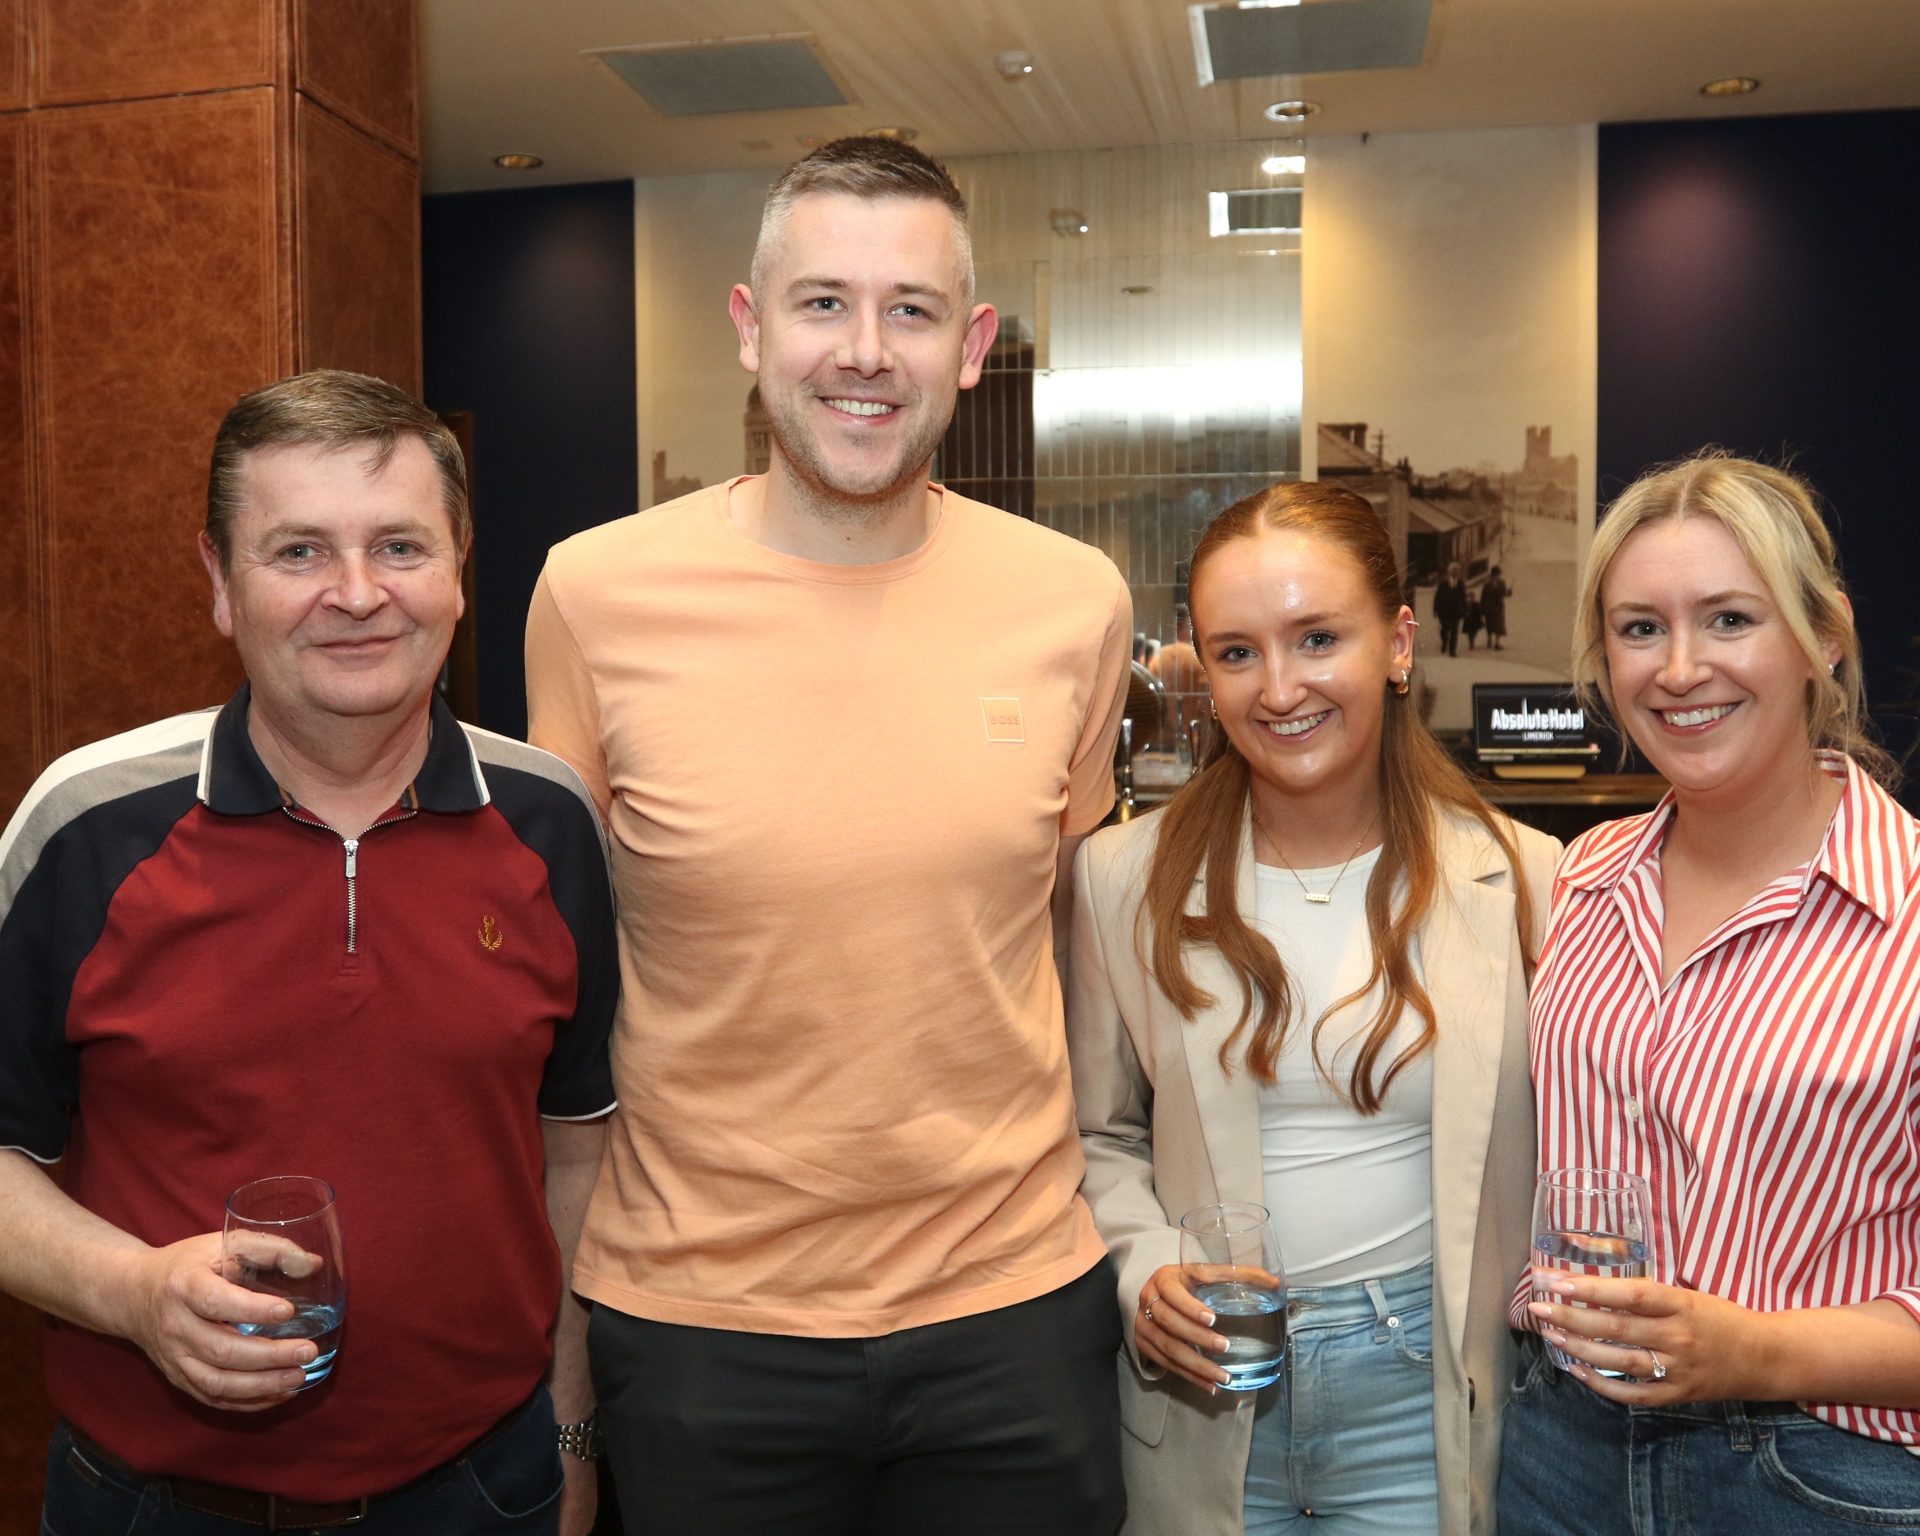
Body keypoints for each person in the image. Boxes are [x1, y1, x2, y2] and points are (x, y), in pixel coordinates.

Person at [524, 136, 1132, 1534]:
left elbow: (1073, 941)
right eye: (822, 304)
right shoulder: (594, 594)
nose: (865, 351)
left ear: (971, 346)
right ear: (750, 329)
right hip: (697, 1324)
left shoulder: (1074, 601)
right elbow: (560, 1010)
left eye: (911, 311)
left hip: (1014, 1311)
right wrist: (565, 1398)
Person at [0, 371, 618, 1535]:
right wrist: (133, 1294)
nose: (357, 594)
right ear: (220, 583)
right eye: (297, 552)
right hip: (152, 1504)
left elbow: (577, 1164)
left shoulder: (551, 823)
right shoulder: (82, 827)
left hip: (485, 1489)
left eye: (399, 546)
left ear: (459, 566)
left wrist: (572, 1435)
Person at [1068, 482, 1557, 1536]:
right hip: (1206, 1391)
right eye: (1236, 652)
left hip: (1425, 1398)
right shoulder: (1121, 877)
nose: (1279, 688)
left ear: (1398, 642)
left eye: (1317, 638)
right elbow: (1093, 1135)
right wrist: (1143, 1268)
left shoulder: (1526, 878)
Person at [1500, 454, 1920, 1534]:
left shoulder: (1908, 910)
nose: (1680, 669)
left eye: (1729, 619)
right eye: (1641, 629)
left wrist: (1753, 1348)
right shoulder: (1584, 877)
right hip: (1560, 1448)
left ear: (1825, 636)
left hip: (1818, 1472)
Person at [1433, 563, 1467, 657]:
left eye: (1457, 571)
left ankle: (1452, 651)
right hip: (1444, 611)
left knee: (1454, 631)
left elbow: (1463, 597)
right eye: (1453, 571)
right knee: (1444, 629)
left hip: (1456, 611)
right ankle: (1444, 643)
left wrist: (1465, 609)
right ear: (1450, 572)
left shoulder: (1460, 583)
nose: (1455, 573)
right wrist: (1435, 610)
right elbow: (1438, 597)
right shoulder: (1443, 583)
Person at [1479, 567, 1510, 651]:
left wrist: (1509, 592)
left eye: (1499, 574)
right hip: (1489, 607)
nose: (1498, 576)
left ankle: (1497, 643)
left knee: (1499, 625)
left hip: (1499, 607)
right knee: (1490, 625)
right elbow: (1483, 597)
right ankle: (1489, 639)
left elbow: (1505, 593)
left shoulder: (1502, 583)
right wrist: (1482, 609)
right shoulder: (1487, 584)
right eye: (1497, 574)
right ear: (1493, 575)